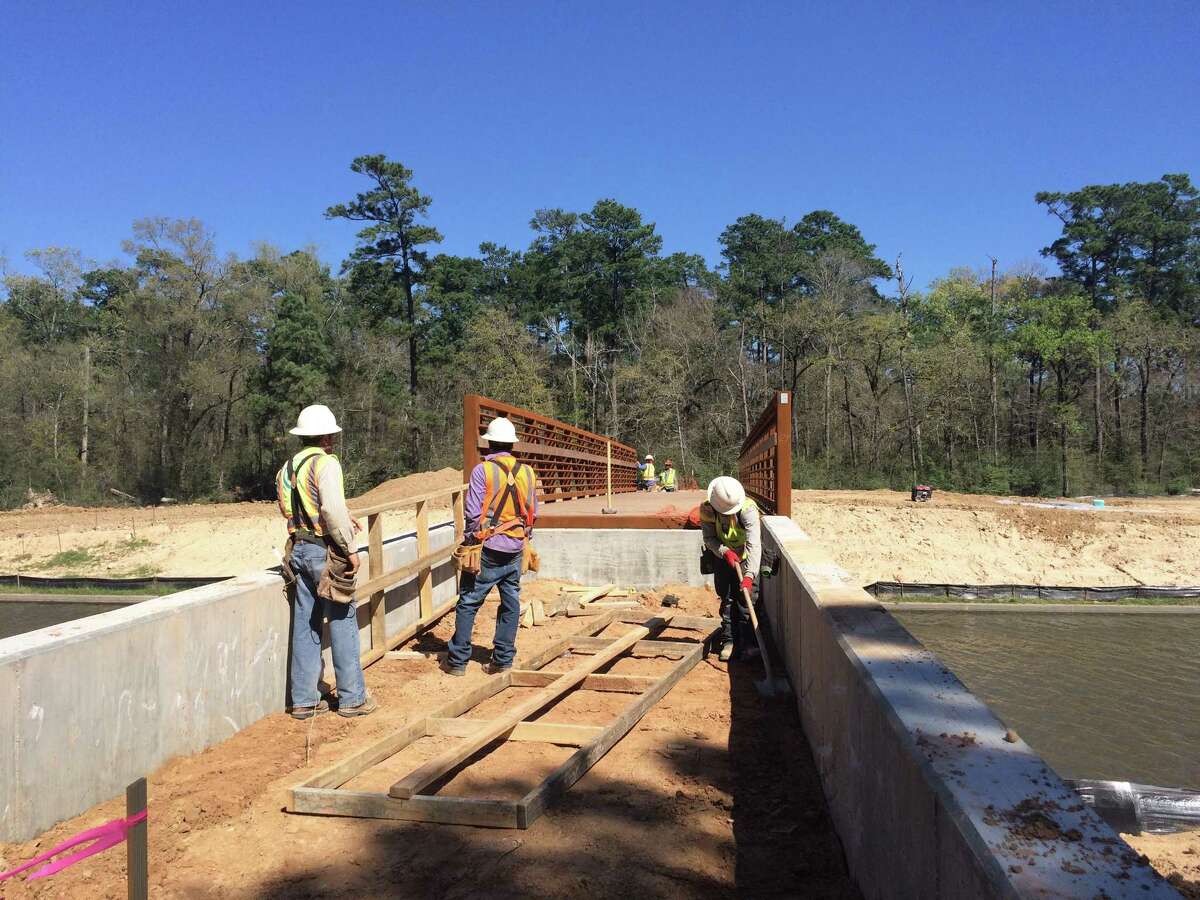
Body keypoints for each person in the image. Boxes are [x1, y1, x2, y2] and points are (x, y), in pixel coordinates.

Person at [276, 404, 377, 719]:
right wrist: (349, 548)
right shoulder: (326, 463)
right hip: (326, 551)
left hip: (299, 549)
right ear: (327, 436)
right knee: (343, 619)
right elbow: (330, 509)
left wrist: (344, 516)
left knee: (307, 622)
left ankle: (303, 700)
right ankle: (352, 699)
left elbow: (291, 509)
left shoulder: (287, 468)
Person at [445, 416, 539, 676]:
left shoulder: (482, 471)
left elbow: (473, 514)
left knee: (469, 601)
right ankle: (503, 659)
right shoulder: (528, 472)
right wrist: (524, 537)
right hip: (516, 546)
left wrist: (472, 539)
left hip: (487, 548)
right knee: (510, 602)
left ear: (489, 443)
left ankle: (458, 661)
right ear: (512, 445)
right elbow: (532, 513)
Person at [699, 476, 762, 662]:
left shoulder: (748, 509)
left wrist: (749, 575)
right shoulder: (707, 509)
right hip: (723, 557)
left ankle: (749, 643)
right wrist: (724, 551)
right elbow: (709, 538)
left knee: (748, 599)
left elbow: (754, 544)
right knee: (727, 599)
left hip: (746, 557)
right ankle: (729, 641)